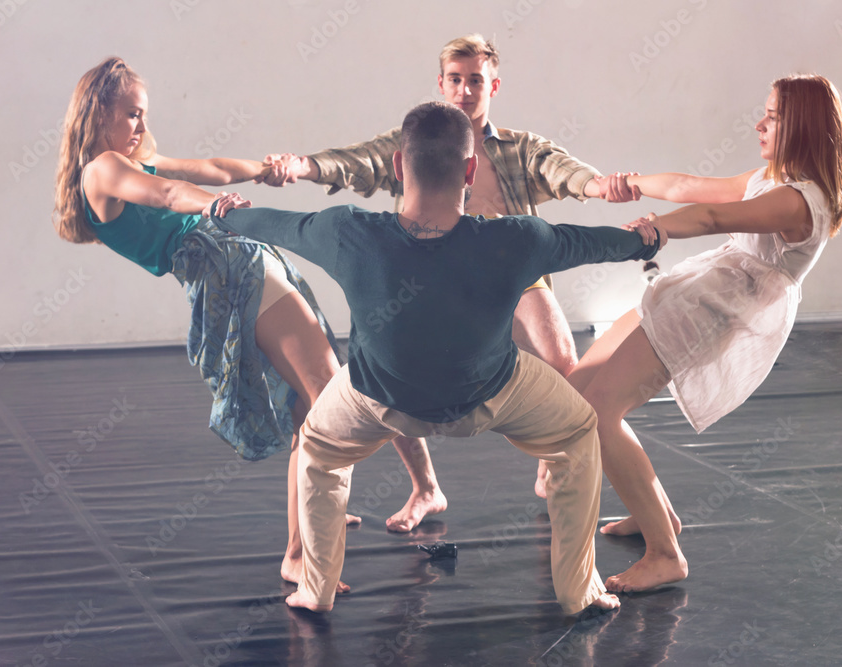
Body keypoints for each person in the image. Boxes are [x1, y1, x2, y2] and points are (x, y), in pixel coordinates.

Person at [207, 101, 663, 615]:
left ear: (399, 167)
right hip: (492, 397)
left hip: (378, 401)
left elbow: (273, 224)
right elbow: (594, 243)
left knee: (317, 449)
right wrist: (645, 238)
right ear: (470, 170)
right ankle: (579, 592)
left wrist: (226, 213)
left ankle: (315, 589)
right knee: (579, 430)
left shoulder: (347, 232)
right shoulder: (518, 239)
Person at [52, 57, 447, 593]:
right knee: (329, 394)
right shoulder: (101, 171)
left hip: (242, 263)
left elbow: (208, 168)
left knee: (313, 404)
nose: (141, 126)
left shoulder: (135, 159)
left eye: (143, 114)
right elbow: (170, 196)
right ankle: (299, 551)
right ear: (97, 111)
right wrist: (217, 207)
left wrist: (265, 169)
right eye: (131, 114)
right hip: (231, 270)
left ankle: (314, 518)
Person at [261, 34, 638, 499]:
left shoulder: (520, 148)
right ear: (441, 84)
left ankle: (555, 462)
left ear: (493, 86)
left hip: (506, 267)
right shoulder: (412, 142)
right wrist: (297, 166)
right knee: (393, 369)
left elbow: (566, 173)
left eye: (475, 80)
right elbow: (348, 163)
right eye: (456, 80)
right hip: (430, 266)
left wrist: (605, 187)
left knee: (562, 363)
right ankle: (424, 488)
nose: (465, 90)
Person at [568, 73, 842, 593]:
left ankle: (665, 553)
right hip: (695, 291)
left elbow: (711, 217)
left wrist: (656, 230)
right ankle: (652, 511)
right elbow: (689, 188)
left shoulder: (801, 200)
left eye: (772, 116)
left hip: (714, 309)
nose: (759, 124)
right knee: (577, 387)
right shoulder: (772, 176)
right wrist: (632, 183)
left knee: (599, 413)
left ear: (804, 126)